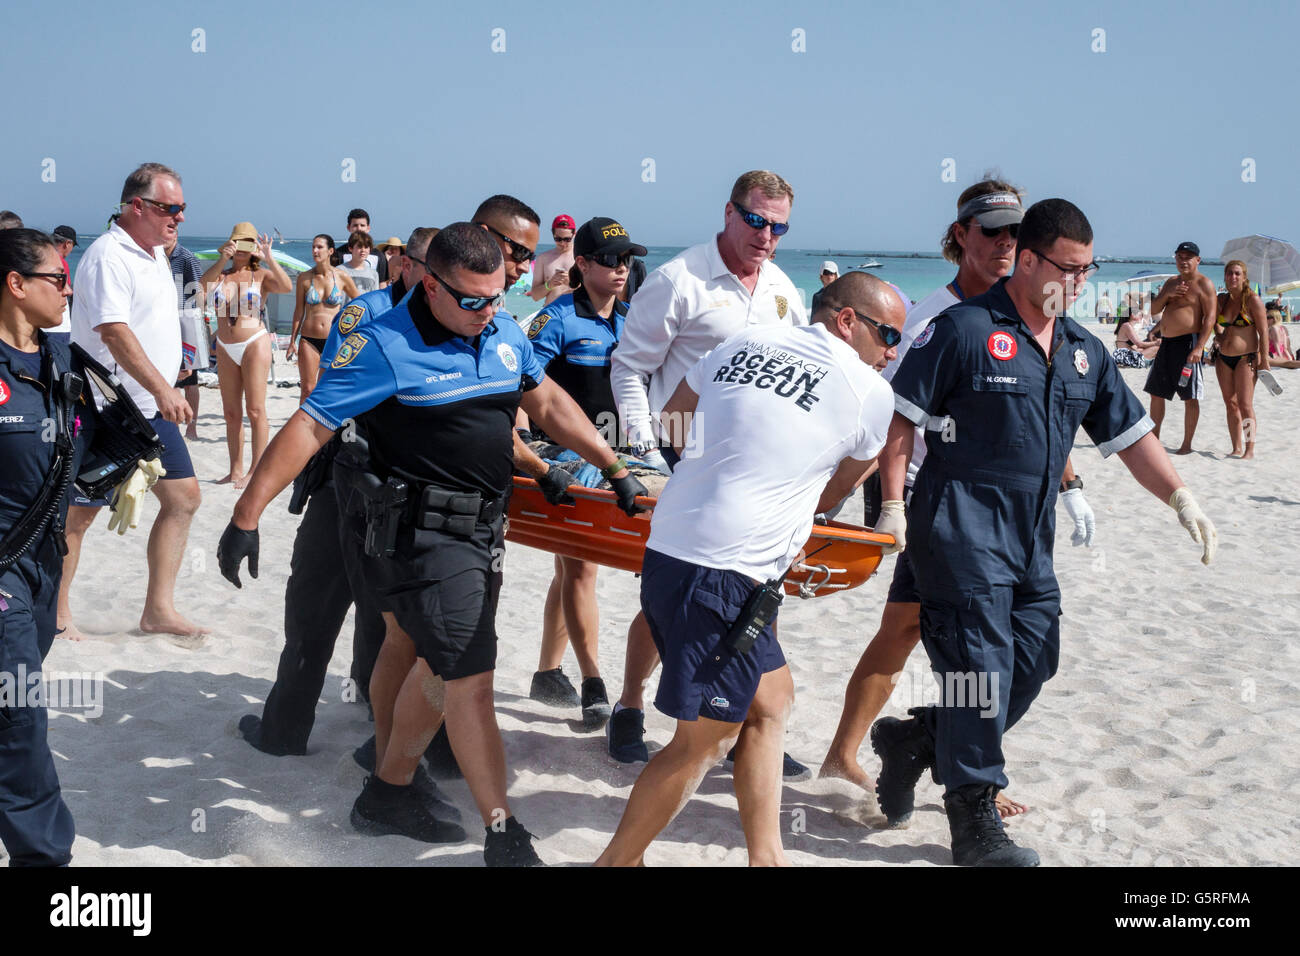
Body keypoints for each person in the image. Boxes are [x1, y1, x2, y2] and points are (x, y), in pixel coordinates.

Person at [218, 222, 647, 865]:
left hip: (481, 531)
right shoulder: (383, 343)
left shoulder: (500, 329)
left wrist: (609, 465)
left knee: (417, 653)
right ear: (429, 282)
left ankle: (388, 786)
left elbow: (547, 399)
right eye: (471, 300)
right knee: (469, 678)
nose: (486, 312)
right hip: (420, 538)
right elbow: (310, 424)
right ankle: (501, 830)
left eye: (496, 297)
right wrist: (246, 514)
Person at [874, 198, 1217, 866]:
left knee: (1033, 661)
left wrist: (1182, 498)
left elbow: (1130, 435)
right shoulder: (963, 330)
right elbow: (900, 419)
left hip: (1030, 536)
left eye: (1090, 272)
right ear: (1028, 260)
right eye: (1071, 269)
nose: (1080, 283)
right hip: (957, 521)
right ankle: (973, 818)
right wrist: (891, 504)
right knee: (979, 668)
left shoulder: (1083, 352)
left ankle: (917, 741)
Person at [595, 273, 903, 866]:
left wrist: (719, 476)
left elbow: (674, 423)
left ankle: (767, 857)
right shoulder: (869, 389)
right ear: (847, 321)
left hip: (673, 549)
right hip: (726, 573)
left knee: (770, 701)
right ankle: (615, 863)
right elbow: (836, 489)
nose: (893, 349)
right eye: (888, 334)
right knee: (703, 741)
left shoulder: (742, 342)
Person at [820, 180, 1095, 821]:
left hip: (992, 509)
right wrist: (870, 503)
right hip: (933, 499)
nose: (1004, 242)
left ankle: (915, 746)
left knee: (920, 632)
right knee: (942, 636)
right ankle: (949, 768)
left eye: (1013, 232)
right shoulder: (931, 318)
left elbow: (1043, 416)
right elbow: (886, 422)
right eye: (990, 230)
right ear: (960, 236)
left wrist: (1070, 483)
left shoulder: (1032, 315)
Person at [606, 169, 809, 779]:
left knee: (754, 596)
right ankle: (630, 707)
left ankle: (752, 720)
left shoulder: (780, 288)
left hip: (759, 476)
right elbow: (628, 369)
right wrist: (645, 454)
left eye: (779, 226)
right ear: (728, 212)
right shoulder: (678, 281)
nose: (766, 235)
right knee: (669, 596)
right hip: (684, 465)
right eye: (756, 220)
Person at [235, 227, 440, 767]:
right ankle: (285, 728)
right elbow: (330, 404)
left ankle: (386, 723)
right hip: (347, 478)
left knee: (391, 616)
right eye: (429, 266)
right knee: (314, 606)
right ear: (405, 265)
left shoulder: (461, 322)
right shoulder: (365, 315)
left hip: (416, 494)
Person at [61, 162, 206, 641]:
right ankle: (59, 616)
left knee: (184, 499)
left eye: (182, 209)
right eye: (170, 208)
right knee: (77, 517)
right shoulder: (108, 255)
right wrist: (163, 388)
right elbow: (114, 331)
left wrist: (177, 367)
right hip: (111, 408)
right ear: (136, 206)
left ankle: (158, 610)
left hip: (153, 409)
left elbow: (151, 320)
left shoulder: (157, 253)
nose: (179, 218)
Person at [520, 217, 647, 729]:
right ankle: (594, 682)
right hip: (568, 458)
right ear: (584, 265)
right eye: (611, 260)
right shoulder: (554, 321)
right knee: (581, 568)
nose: (621, 269)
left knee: (569, 568)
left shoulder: (635, 320)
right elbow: (522, 387)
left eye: (627, 260)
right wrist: (531, 452)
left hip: (623, 458)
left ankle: (549, 672)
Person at [0, 228, 93, 865]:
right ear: (15, 284)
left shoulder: (63, 360)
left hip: (43, 564)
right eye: (57, 279)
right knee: (21, 713)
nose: (68, 289)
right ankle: (45, 859)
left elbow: (77, 447)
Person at [201, 223, 293, 487]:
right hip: (225, 346)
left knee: (255, 409)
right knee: (231, 412)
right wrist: (222, 258)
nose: (241, 247)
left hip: (254, 341)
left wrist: (269, 257)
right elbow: (200, 290)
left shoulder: (261, 275)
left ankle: (256, 470)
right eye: (237, 242)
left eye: (246, 243)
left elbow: (286, 286)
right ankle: (235, 469)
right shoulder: (221, 275)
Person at [1144, 241, 1217, 454]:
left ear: (1198, 260)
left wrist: (1200, 347)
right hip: (1166, 344)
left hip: (1188, 344)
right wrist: (1168, 295)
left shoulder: (1205, 284)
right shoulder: (1170, 282)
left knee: (1189, 395)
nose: (1183, 261)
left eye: (1188, 257)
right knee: (1156, 393)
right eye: (1180, 257)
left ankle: (1186, 445)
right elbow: (1154, 309)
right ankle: (1154, 440)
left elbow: (1210, 318)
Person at [288, 234, 359, 402]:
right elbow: (299, 311)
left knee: (329, 389)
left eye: (319, 247)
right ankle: (304, 428)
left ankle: (326, 428)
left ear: (330, 251)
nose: (315, 250)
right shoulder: (304, 278)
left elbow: (359, 304)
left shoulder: (342, 277)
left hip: (334, 339)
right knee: (307, 389)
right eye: (313, 247)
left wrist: (353, 330)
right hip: (308, 340)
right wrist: (292, 340)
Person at [1213, 260, 1270, 459]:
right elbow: (1214, 322)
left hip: (1246, 359)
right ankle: (1236, 447)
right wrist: (1218, 335)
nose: (1233, 277)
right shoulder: (1222, 300)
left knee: (1245, 404)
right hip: (1223, 359)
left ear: (1244, 277)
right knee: (1230, 404)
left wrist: (1265, 362)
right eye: (1229, 273)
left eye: (1237, 273)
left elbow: (1264, 332)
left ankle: (1250, 449)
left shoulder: (1252, 300)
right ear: (1225, 276)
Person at [165, 232, 207, 439]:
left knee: (191, 380)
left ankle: (192, 426)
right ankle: (173, 426)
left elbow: (199, 289)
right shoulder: (154, 256)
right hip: (163, 325)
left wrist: (198, 322)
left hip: (186, 324)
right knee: (168, 378)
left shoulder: (186, 257)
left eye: (171, 234)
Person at [528, 214, 577, 306]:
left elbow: (594, 291)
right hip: (551, 313)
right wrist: (549, 284)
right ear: (553, 235)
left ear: (574, 234)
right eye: (558, 239)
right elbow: (535, 296)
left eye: (567, 239)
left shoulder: (581, 257)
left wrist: (572, 283)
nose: (562, 243)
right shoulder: (543, 258)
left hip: (575, 313)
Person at [342, 208, 388, 285]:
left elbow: (382, 284)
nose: (359, 228)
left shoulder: (379, 256)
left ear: (368, 228)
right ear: (348, 227)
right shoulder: (339, 253)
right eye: (355, 225)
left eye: (362, 225)